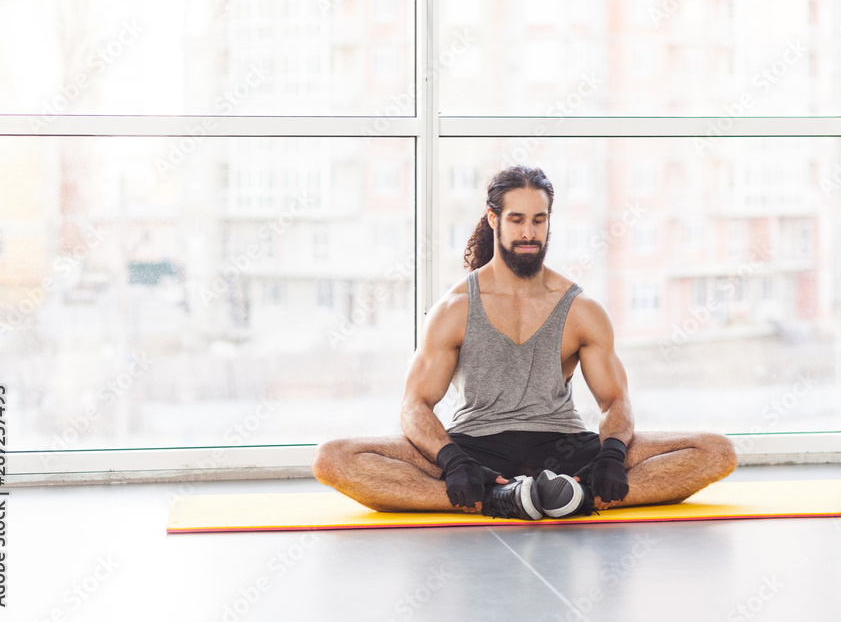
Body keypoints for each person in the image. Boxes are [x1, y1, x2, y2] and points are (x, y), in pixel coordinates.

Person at [313, 166, 737, 519]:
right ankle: (504, 498)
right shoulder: (454, 308)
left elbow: (615, 402)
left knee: (716, 452)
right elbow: (414, 406)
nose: (529, 232)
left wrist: (609, 455)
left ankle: (568, 494)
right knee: (332, 459)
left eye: (539, 219)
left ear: (550, 221)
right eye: (517, 219)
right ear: (494, 219)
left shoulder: (581, 309)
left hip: (564, 449)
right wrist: (453, 461)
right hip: (476, 449)